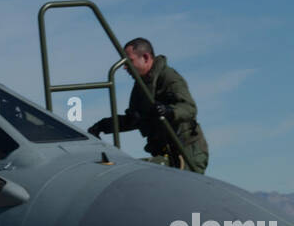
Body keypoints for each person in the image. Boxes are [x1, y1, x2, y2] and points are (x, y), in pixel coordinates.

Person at [88, 37, 209, 173]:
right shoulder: (140, 87)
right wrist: (103, 126)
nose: (125, 67)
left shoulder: (168, 77)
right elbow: (134, 120)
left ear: (145, 57)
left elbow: (189, 108)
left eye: (129, 61)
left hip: (186, 152)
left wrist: (168, 111)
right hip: (164, 152)